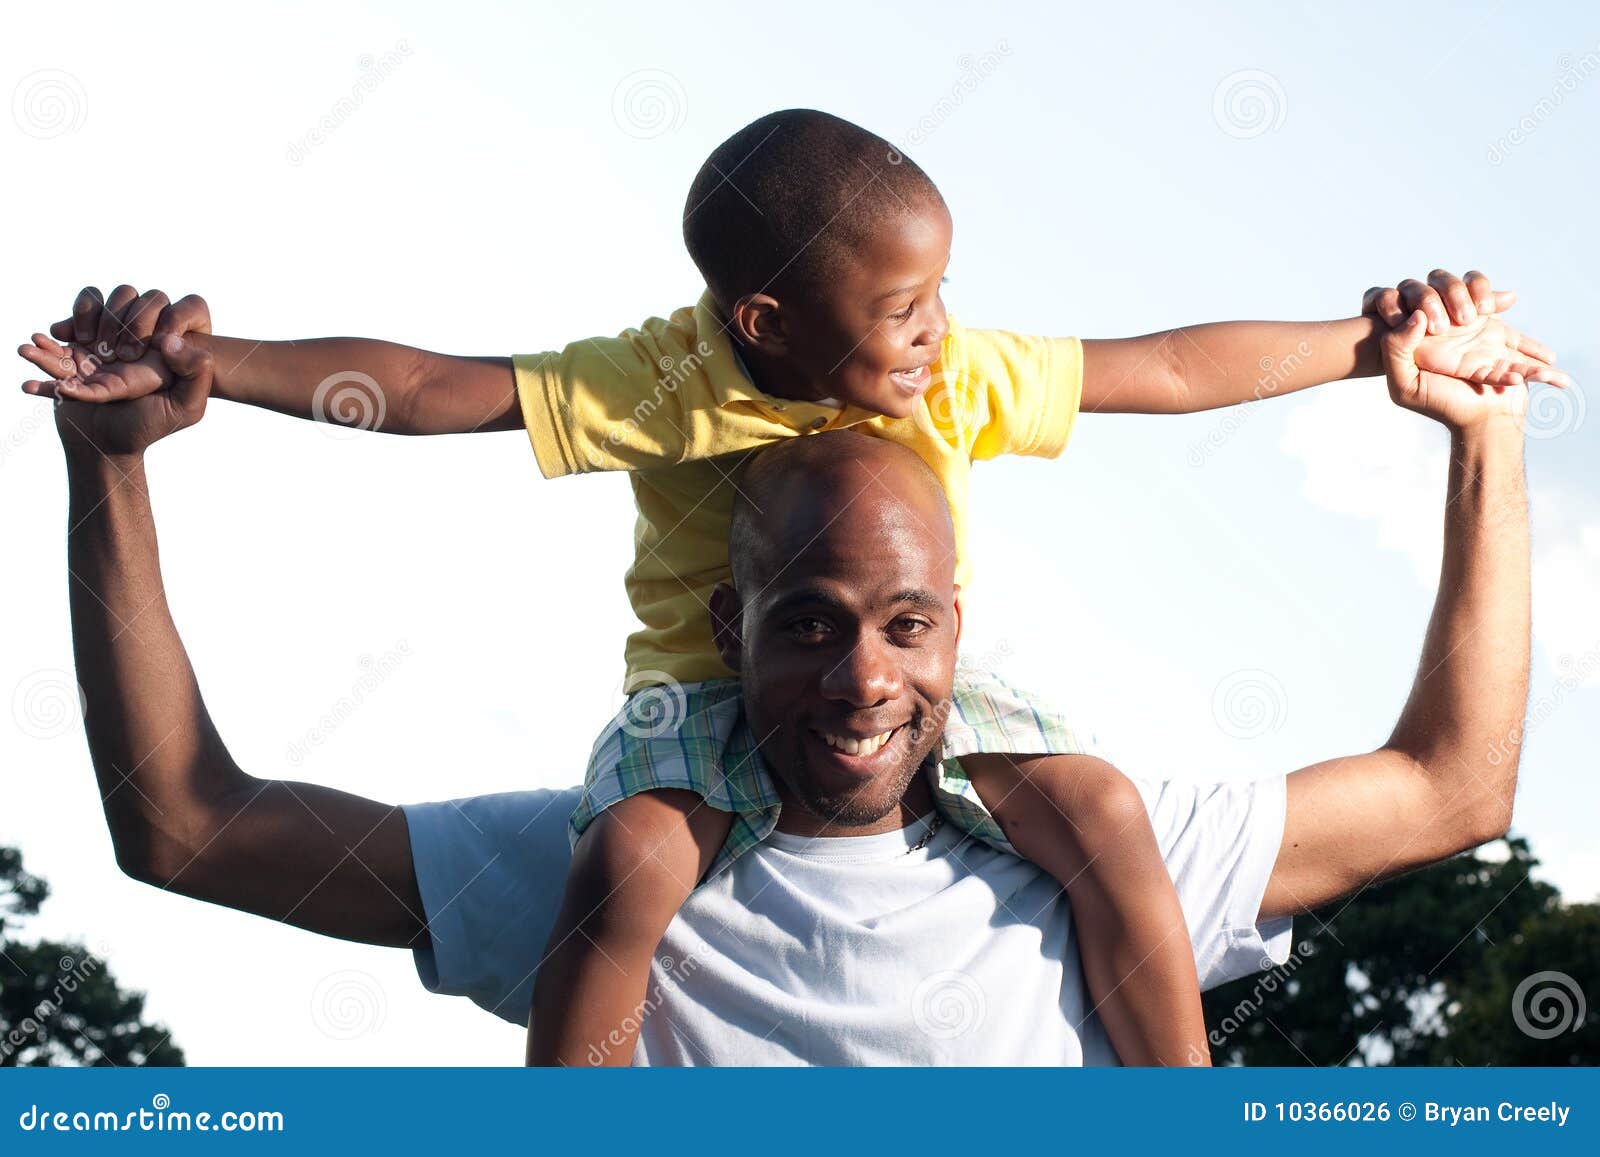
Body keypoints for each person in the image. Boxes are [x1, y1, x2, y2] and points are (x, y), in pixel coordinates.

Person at [21, 111, 1565, 1065]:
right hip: (685, 730)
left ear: (956, 619)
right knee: (627, 858)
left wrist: (1391, 360)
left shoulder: (953, 389)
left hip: (995, 750)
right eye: (812, 621)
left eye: (907, 622)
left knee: (1096, 811)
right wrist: (180, 405)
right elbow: (432, 392)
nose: (867, 677)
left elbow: (1162, 371)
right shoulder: (663, 389)